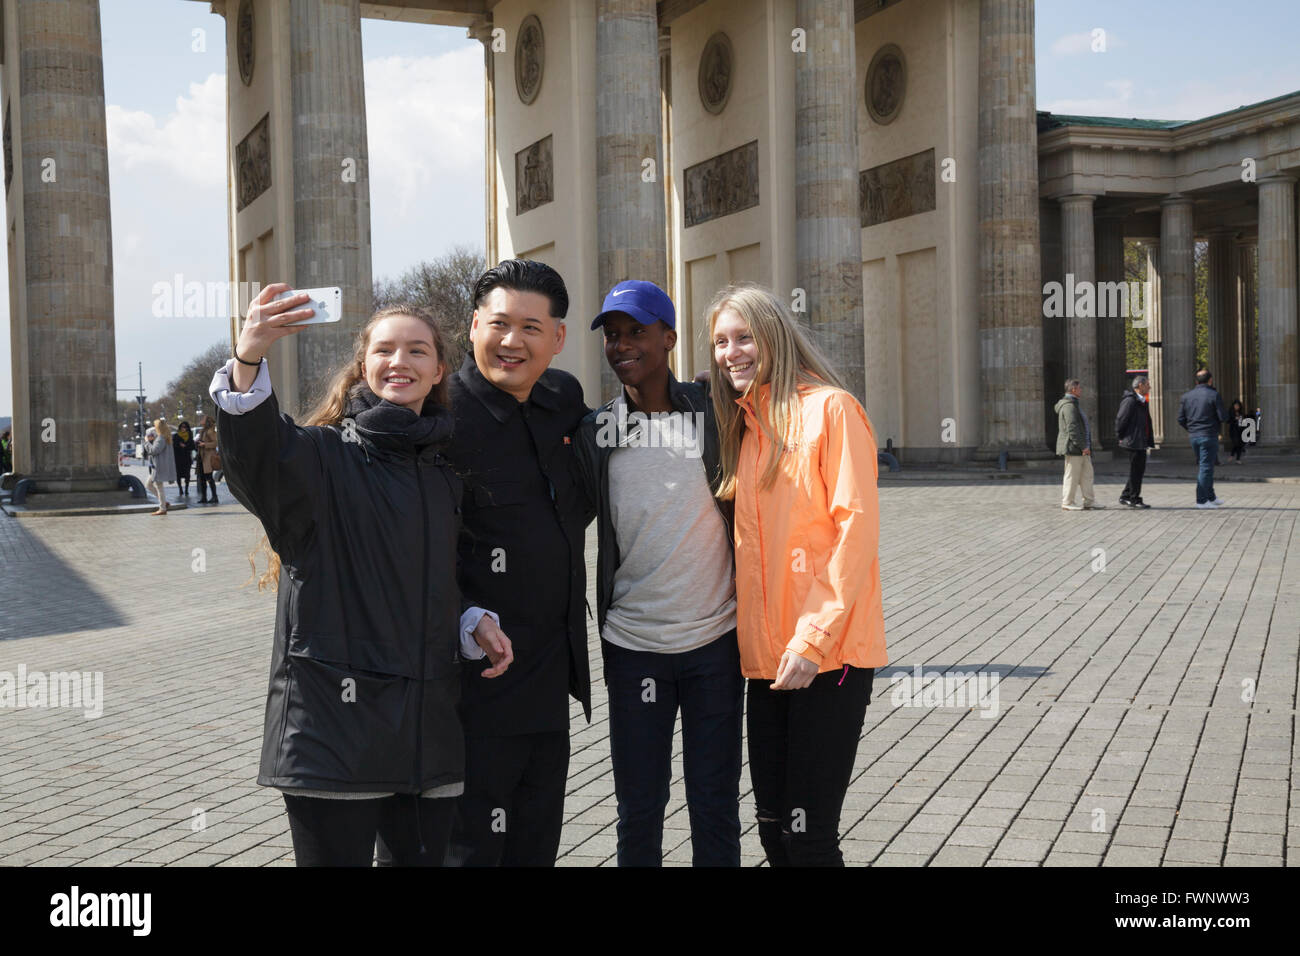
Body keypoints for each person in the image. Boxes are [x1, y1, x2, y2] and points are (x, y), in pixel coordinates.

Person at [208, 285, 469, 867]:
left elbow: (445, 579)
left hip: (429, 731)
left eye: (417, 351)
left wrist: (471, 619)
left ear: (439, 370)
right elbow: (257, 457)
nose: (399, 361)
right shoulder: (322, 457)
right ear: (363, 366)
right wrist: (249, 356)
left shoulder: (446, 472)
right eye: (384, 350)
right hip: (335, 728)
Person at [706, 283, 886, 867]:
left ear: (775, 336)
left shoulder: (832, 409)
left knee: (808, 839)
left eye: (743, 337)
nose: (731, 352)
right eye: (720, 342)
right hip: (767, 663)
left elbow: (854, 533)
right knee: (774, 830)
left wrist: (812, 640)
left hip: (827, 659)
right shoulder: (746, 427)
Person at [573, 280, 743, 867]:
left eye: (636, 332)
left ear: (669, 338)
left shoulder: (715, 415)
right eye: (613, 335)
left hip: (714, 644)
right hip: (633, 647)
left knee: (715, 804)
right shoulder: (599, 432)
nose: (622, 345)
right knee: (639, 809)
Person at [443, 259, 593, 867]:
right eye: (498, 323)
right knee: (467, 849)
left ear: (557, 338)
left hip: (548, 674)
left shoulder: (563, 399)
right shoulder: (435, 414)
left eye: (531, 328)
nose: (512, 342)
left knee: (535, 844)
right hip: (467, 680)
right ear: (473, 325)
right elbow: (399, 545)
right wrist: (461, 616)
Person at [1177, 368, 1229, 509]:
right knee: (1206, 467)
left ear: (1196, 381)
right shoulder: (1214, 395)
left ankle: (1211, 497)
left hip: (1194, 436)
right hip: (1209, 435)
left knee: (1207, 466)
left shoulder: (1186, 396)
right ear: (1210, 380)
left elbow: (1180, 419)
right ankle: (1201, 500)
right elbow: (1223, 417)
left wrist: (1192, 429)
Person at [1055, 379, 1103, 511]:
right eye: (1079, 388)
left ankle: (1089, 501)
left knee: (1087, 475)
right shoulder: (1069, 406)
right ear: (1073, 390)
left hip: (1082, 448)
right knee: (1072, 475)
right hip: (1074, 448)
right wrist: (1083, 446)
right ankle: (1067, 502)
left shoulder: (1074, 404)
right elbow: (1073, 429)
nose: (1081, 390)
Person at [1115, 375, 1154, 508]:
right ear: (1140, 385)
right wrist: (1121, 436)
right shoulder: (1130, 401)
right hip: (1133, 441)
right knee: (1136, 470)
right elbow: (1121, 419)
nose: (1150, 387)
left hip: (1140, 441)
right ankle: (1134, 498)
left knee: (1137, 470)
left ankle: (1126, 496)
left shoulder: (1141, 401)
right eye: (1148, 384)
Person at [143, 419, 176, 515]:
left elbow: (153, 451)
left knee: (159, 487)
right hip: (159, 466)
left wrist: (146, 442)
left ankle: (162, 508)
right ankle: (164, 503)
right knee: (148, 484)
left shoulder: (161, 438)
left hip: (159, 467)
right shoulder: (166, 437)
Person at [194, 414, 220, 504]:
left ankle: (214, 496)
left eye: (203, 419)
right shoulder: (203, 430)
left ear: (207, 421)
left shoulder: (210, 431)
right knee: (202, 478)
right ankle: (204, 497)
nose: (201, 420)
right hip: (201, 456)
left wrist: (204, 444)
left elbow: (215, 443)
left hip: (208, 457)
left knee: (209, 477)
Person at [172, 420, 196, 497]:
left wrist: (185, 446)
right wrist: (179, 445)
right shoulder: (176, 435)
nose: (183, 428)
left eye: (185, 427)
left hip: (186, 459)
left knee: (187, 475)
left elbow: (192, 446)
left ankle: (186, 489)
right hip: (178, 459)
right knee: (178, 475)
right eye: (182, 427)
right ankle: (180, 489)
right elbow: (173, 446)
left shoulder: (190, 435)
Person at [1228, 399, 1248, 463]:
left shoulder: (1241, 413)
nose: (1237, 407)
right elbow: (1228, 421)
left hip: (1240, 430)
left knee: (1240, 444)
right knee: (1235, 443)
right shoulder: (1231, 412)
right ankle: (1232, 455)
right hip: (1233, 430)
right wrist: (1234, 418)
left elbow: (1243, 421)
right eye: (1236, 405)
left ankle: (1238, 459)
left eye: (1238, 405)